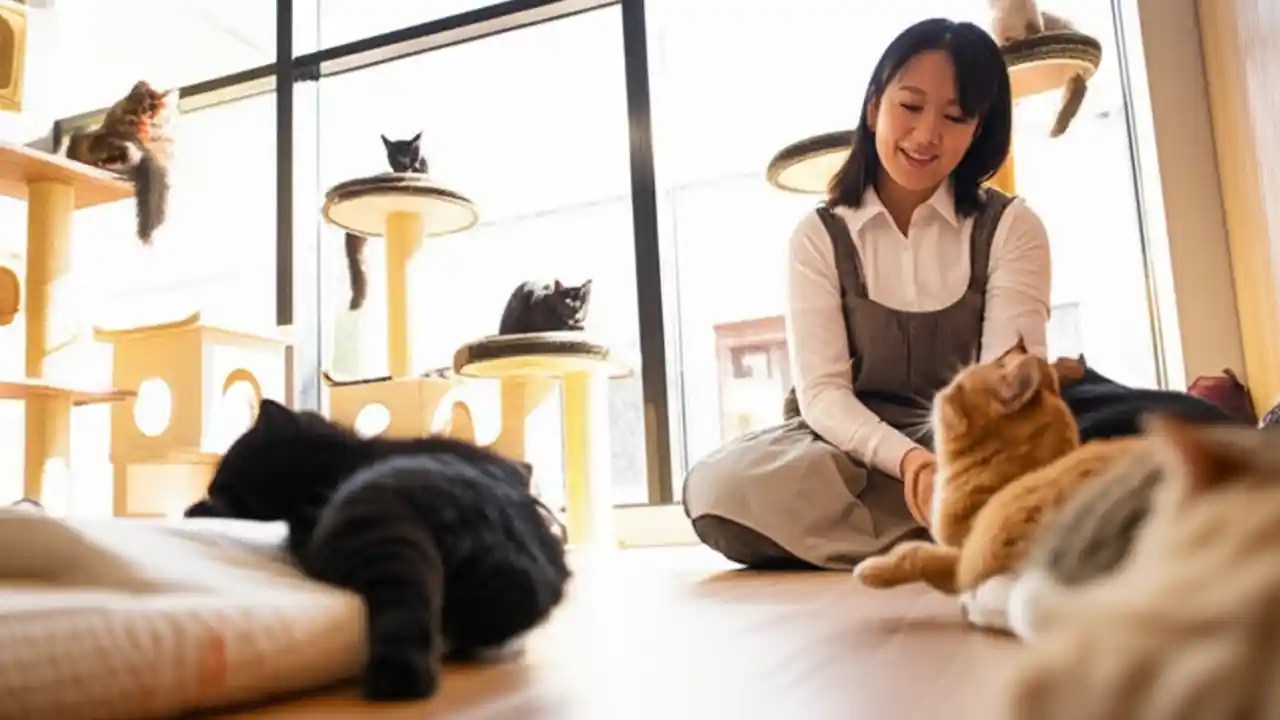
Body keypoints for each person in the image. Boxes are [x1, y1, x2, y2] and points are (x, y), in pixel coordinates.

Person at [682, 17, 1042, 571]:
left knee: (1129, 446)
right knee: (720, 491)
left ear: (978, 130)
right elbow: (823, 396)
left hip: (979, 446)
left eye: (954, 117)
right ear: (875, 106)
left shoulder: (1012, 227)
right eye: (910, 106)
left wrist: (960, 467)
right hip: (855, 451)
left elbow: (1009, 385)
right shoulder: (818, 237)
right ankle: (978, 529)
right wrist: (914, 465)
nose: (927, 135)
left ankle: (962, 522)